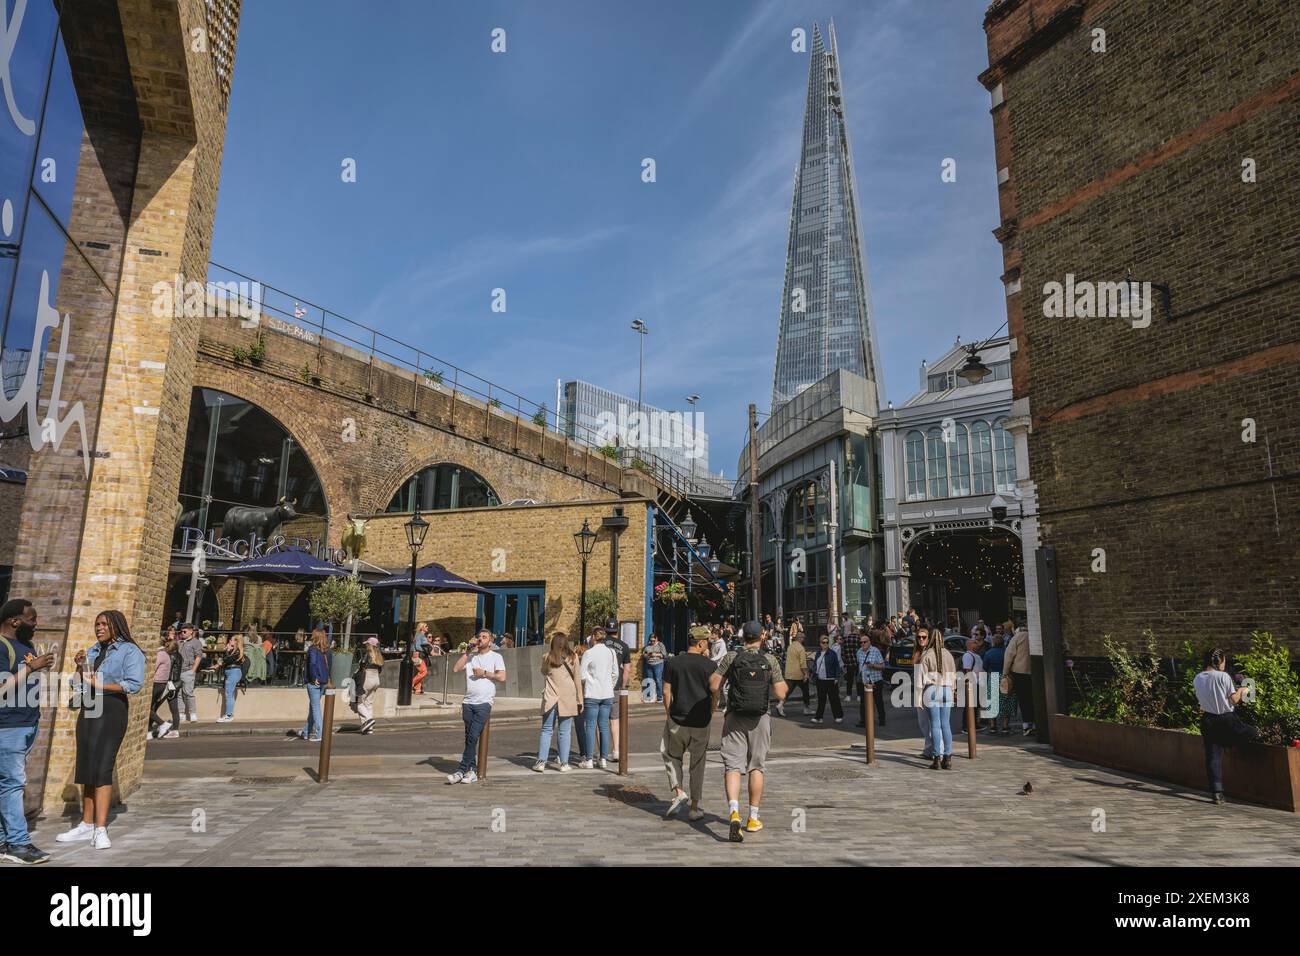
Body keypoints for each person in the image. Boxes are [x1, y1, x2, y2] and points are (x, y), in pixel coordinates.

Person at [56, 610, 145, 850]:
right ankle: (85, 824)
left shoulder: (130, 651)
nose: (99, 628)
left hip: (112, 710)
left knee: (103, 767)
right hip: (89, 707)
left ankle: (100, 828)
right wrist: (79, 667)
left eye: (104, 624)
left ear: (117, 625)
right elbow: (78, 684)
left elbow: (134, 684)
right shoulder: (93, 650)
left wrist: (101, 684)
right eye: (97, 624)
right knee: (87, 766)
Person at [709, 621, 787, 843]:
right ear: (762, 636)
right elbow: (781, 692)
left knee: (733, 766)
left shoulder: (732, 657)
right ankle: (753, 818)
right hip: (760, 718)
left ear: (742, 637)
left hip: (735, 715)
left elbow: (714, 685)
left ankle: (734, 810)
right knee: (756, 767)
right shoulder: (770, 660)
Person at [0, 599, 54, 864]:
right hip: (7, 726)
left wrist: (39, 668)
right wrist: (31, 667)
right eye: (32, 620)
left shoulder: (26, 646)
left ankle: (2, 841)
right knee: (13, 784)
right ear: (15, 621)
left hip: (27, 723)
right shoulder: (2, 646)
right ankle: (19, 845)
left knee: (7, 785)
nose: (36, 624)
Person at [661, 626, 716, 822]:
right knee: (698, 763)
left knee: (671, 754)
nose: (708, 644)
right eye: (707, 641)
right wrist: (712, 710)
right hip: (701, 720)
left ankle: (679, 791)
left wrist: (669, 712)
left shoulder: (674, 662)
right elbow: (715, 692)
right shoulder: (710, 666)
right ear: (701, 643)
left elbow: (666, 691)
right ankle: (694, 807)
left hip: (678, 718)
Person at [1195, 649, 1257, 804]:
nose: (1224, 664)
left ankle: (1217, 793)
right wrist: (1243, 689)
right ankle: (1230, 745)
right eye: (1224, 661)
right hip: (1226, 718)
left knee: (1212, 756)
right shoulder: (1223, 676)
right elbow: (1234, 700)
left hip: (1207, 719)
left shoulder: (1198, 677)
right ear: (1218, 661)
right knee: (1252, 732)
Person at [447, 630, 506, 784]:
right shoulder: (471, 657)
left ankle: (460, 770)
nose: (480, 639)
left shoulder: (496, 657)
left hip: (484, 702)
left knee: (473, 736)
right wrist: (467, 652)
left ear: (491, 641)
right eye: (479, 637)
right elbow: (455, 669)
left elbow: (502, 677)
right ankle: (471, 771)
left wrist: (484, 673)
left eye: (484, 637)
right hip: (468, 702)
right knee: (469, 738)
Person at [534, 632, 582, 772]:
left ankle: (541, 762)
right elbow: (577, 680)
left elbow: (543, 672)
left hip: (550, 697)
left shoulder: (547, 657)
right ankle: (564, 764)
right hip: (568, 697)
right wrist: (580, 700)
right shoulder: (574, 657)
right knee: (565, 731)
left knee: (547, 730)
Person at [916, 626, 957, 770]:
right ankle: (948, 757)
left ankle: (936, 759)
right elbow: (953, 677)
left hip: (932, 689)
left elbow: (920, 679)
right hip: (947, 690)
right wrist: (953, 692)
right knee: (946, 724)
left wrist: (919, 698)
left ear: (930, 639)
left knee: (935, 725)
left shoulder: (926, 654)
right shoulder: (949, 655)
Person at [578, 626, 618, 770]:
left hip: (592, 694)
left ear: (593, 637)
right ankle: (603, 759)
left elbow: (582, 675)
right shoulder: (611, 652)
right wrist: (610, 685)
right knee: (604, 727)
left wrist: (590, 682)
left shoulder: (589, 653)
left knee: (590, 726)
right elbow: (616, 673)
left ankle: (589, 759)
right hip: (607, 693)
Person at [602, 621, 631, 760]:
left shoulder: (599, 643)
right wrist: (623, 686)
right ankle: (616, 751)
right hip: (616, 686)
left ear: (605, 630)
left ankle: (602, 754)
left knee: (600, 721)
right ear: (617, 630)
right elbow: (627, 669)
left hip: (600, 686)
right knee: (615, 719)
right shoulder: (624, 646)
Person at [297, 628, 331, 741]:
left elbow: (312, 664)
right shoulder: (327, 650)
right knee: (313, 707)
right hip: (323, 681)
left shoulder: (312, 649)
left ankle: (320, 734)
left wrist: (313, 678)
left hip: (314, 681)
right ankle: (306, 731)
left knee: (315, 708)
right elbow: (329, 666)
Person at [148, 633, 181, 739]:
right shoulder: (172, 655)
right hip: (168, 683)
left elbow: (153, 668)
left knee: (150, 708)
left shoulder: (162, 654)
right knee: (172, 708)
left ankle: (162, 724)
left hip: (166, 683)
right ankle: (151, 730)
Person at [1003, 625, 1034, 736]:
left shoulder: (1017, 637)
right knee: (1033, 698)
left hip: (1019, 672)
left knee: (1023, 699)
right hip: (1034, 672)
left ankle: (1026, 725)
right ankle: (1035, 723)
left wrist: (1005, 673)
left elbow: (1009, 655)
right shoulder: (1033, 636)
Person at [351, 636, 384, 735]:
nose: (365, 645)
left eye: (367, 644)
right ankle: (368, 728)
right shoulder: (379, 656)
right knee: (368, 704)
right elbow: (380, 669)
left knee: (359, 703)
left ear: (370, 645)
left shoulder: (367, 655)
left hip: (367, 678)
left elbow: (362, 666)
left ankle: (369, 720)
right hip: (376, 679)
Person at [983, 632, 1012, 735]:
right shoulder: (1006, 652)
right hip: (1005, 677)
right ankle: (1005, 726)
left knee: (993, 701)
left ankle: (993, 725)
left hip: (993, 677)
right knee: (1006, 701)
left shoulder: (988, 653)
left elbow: (985, 667)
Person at [175, 622, 204, 722]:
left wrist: (193, 670)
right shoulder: (179, 642)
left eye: (184, 631)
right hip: (178, 672)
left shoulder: (196, 642)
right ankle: (181, 713)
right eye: (181, 631)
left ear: (191, 631)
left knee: (188, 693)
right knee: (178, 693)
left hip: (188, 671)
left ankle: (193, 713)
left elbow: (198, 656)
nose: (182, 633)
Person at [811, 635, 843, 724]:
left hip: (831, 679)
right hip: (820, 680)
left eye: (827, 642)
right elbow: (815, 665)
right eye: (823, 642)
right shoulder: (818, 653)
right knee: (821, 700)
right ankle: (819, 717)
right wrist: (814, 674)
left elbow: (837, 666)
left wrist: (836, 678)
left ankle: (838, 716)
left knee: (834, 699)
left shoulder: (832, 653)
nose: (825, 644)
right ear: (820, 643)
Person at [858, 631, 887, 727]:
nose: (862, 644)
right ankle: (863, 721)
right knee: (863, 702)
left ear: (869, 642)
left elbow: (883, 666)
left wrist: (873, 665)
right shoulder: (859, 652)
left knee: (878, 701)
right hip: (864, 681)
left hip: (876, 680)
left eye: (864, 642)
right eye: (861, 642)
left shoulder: (875, 651)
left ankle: (882, 720)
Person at [217, 632, 245, 722]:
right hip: (230, 672)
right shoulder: (233, 651)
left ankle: (229, 715)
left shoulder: (237, 652)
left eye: (232, 640)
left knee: (229, 693)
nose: (229, 641)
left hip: (234, 672)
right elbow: (224, 660)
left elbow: (227, 660)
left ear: (236, 642)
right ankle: (228, 714)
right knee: (229, 693)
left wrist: (227, 651)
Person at [782, 631, 812, 715]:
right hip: (799, 675)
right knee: (806, 691)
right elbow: (803, 663)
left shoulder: (790, 647)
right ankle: (807, 708)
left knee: (788, 692)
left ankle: (780, 705)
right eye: (804, 637)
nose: (804, 639)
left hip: (789, 673)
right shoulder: (801, 648)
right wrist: (806, 674)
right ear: (800, 638)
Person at [642, 632, 667, 703]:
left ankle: (659, 697)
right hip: (649, 664)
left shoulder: (660, 645)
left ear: (657, 639)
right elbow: (644, 655)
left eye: (653, 640)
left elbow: (664, 655)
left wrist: (655, 654)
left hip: (658, 664)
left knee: (658, 680)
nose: (652, 642)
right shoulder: (647, 646)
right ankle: (649, 697)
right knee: (649, 680)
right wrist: (647, 655)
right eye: (651, 640)